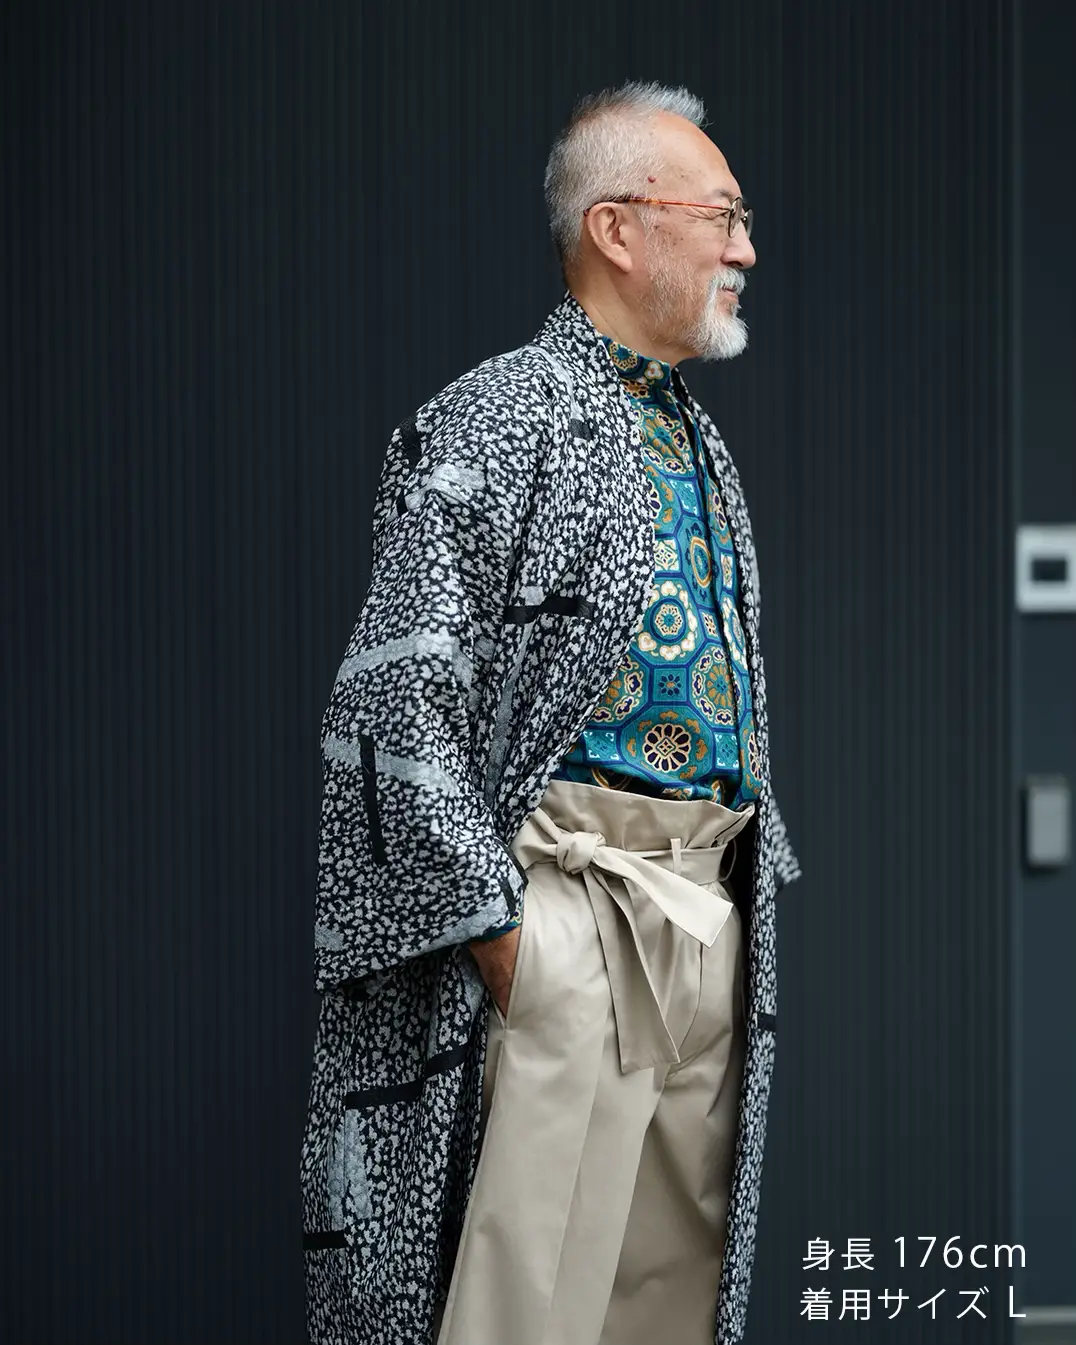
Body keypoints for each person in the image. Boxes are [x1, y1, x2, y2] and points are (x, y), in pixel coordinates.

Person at [300, 80, 801, 1345]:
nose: (744, 247)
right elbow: (392, 702)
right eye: (722, 216)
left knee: (668, 1300)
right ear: (618, 228)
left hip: (705, 900)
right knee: (522, 1308)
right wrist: (508, 936)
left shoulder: (694, 439)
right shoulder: (494, 416)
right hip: (563, 907)